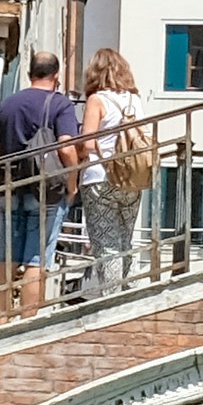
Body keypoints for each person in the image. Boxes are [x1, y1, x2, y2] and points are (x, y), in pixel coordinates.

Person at [0, 52, 83, 309]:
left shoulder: (8, 104)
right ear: (56, 76)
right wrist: (72, 183)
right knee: (36, 260)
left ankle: (0, 321)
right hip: (46, 192)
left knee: (6, 258)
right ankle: (26, 323)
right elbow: (66, 148)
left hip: (10, 188)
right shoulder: (60, 105)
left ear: (31, 72)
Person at [72, 50, 153, 288]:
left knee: (106, 243)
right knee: (125, 239)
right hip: (131, 177)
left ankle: (112, 299)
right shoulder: (134, 100)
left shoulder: (97, 100)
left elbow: (87, 144)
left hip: (100, 176)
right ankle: (131, 294)